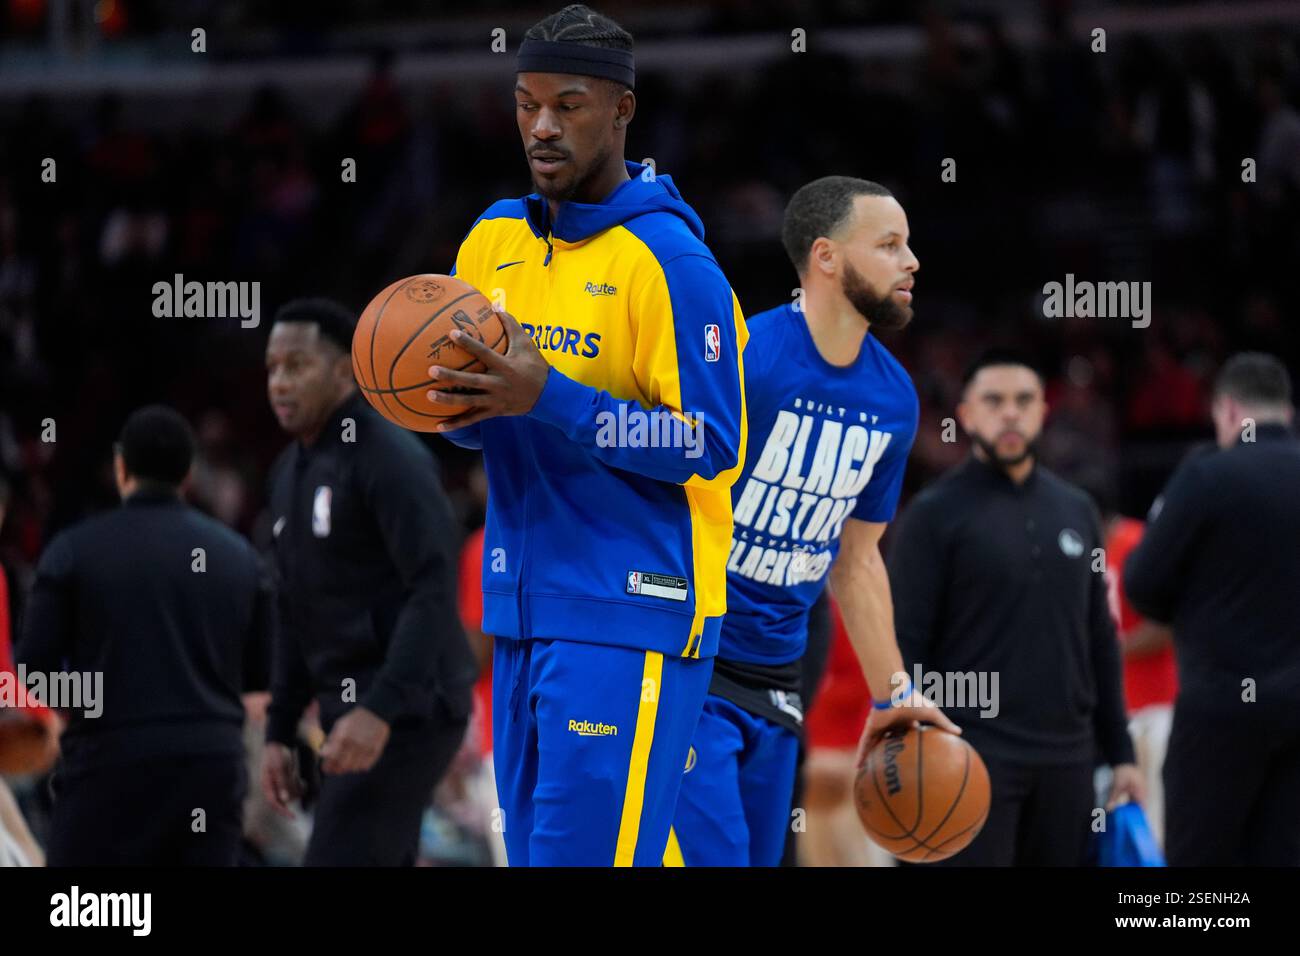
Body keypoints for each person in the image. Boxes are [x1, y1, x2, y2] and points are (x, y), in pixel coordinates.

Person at [429, 4, 748, 865]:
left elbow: (714, 443)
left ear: (621, 111)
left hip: (632, 610)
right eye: (526, 103)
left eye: (568, 105)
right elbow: (480, 426)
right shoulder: (490, 239)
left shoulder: (671, 264)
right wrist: (450, 411)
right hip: (521, 610)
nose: (541, 126)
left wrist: (551, 397)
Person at [666, 176, 955, 866]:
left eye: (908, 245)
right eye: (889, 245)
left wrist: (896, 694)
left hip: (780, 675)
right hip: (688, 664)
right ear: (826, 257)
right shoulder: (746, 359)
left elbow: (855, 562)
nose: (911, 261)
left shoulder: (893, 400)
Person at [888, 350, 1142, 866]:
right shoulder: (931, 517)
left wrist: (1121, 754)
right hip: (967, 756)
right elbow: (905, 644)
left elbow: (1099, 637)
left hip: (1068, 758)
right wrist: (903, 748)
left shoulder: (1077, 510)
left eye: (1024, 400)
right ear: (966, 414)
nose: (1010, 413)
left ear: (1043, 411)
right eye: (994, 400)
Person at [261, 297, 476, 866]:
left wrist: (380, 709)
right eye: (272, 368)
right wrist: (279, 730)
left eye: (297, 366)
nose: (280, 382)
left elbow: (433, 585)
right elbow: (290, 607)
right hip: (351, 711)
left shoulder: (389, 457)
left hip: (411, 708)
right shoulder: (287, 474)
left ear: (342, 372)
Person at [17, 406, 270, 866]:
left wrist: (93, 702)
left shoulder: (73, 550)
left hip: (107, 765)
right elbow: (261, 678)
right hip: (209, 768)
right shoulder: (239, 556)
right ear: (189, 472)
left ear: (120, 467)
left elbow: (34, 673)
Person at [1123, 351, 1300, 866]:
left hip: (1219, 708)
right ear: (1287, 413)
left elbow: (1141, 583)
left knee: (1201, 868)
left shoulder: (1207, 474)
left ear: (1226, 410)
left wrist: (1191, 604)